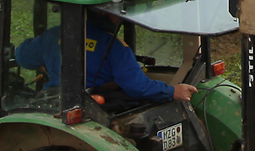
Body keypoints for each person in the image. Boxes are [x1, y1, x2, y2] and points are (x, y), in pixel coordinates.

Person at [14, 14, 197, 106]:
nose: (120, 18)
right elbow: (137, 86)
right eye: (117, 13)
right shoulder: (114, 46)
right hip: (93, 106)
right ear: (105, 14)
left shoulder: (54, 35)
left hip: (55, 101)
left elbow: (23, 57)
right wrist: (172, 92)